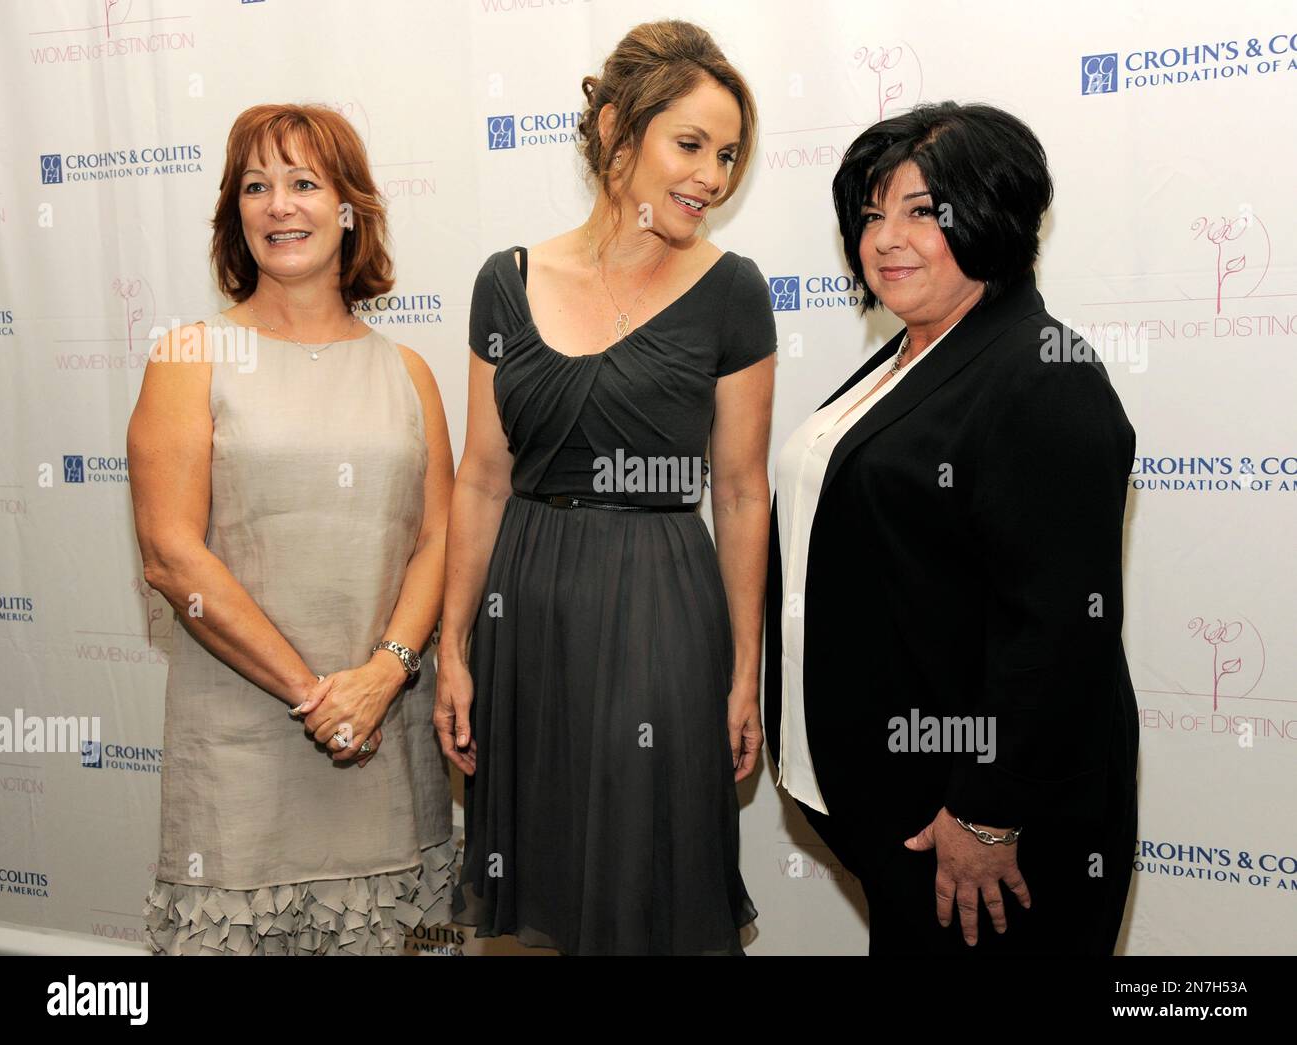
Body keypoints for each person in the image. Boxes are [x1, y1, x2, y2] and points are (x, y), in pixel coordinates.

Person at [764, 101, 1139, 955]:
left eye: (922, 211)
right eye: (870, 214)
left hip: (982, 834)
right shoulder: (914, 354)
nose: (885, 238)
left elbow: (1055, 625)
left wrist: (990, 813)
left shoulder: (1044, 373)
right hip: (900, 807)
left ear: (995, 215)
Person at [437, 20, 775, 955]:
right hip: (528, 608)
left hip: (660, 608)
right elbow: (481, 478)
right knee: (543, 888)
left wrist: (744, 672)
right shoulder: (504, 282)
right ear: (619, 130)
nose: (713, 176)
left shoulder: (733, 290)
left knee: (647, 888)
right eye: (692, 145)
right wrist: (454, 645)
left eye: (730, 155)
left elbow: (742, 493)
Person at [128, 103, 456, 954]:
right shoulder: (188, 358)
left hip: (387, 753)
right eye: (256, 186)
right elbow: (171, 554)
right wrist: (319, 697)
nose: (280, 206)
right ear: (235, 215)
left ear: (349, 208)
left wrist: (382, 678)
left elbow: (439, 540)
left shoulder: (408, 372)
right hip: (240, 763)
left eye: (305, 183)